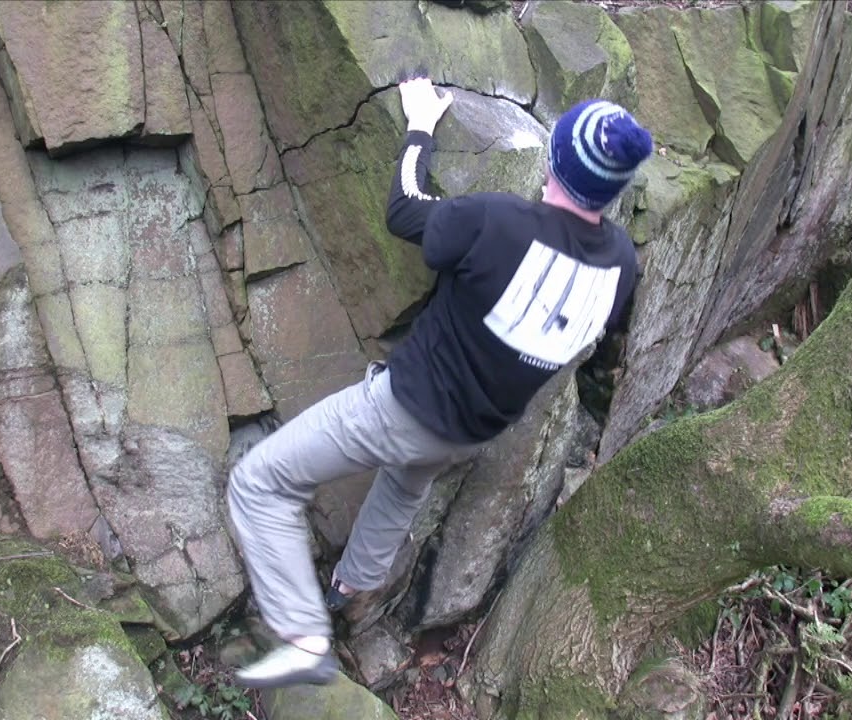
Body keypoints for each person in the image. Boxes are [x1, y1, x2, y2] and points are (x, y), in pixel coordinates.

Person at [228, 76, 652, 689]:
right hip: (472, 434)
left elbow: (403, 209)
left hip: (399, 411)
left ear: (554, 162)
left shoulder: (498, 223)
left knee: (258, 483)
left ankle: (303, 637)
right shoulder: (620, 265)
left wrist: (420, 127)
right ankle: (352, 583)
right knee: (404, 487)